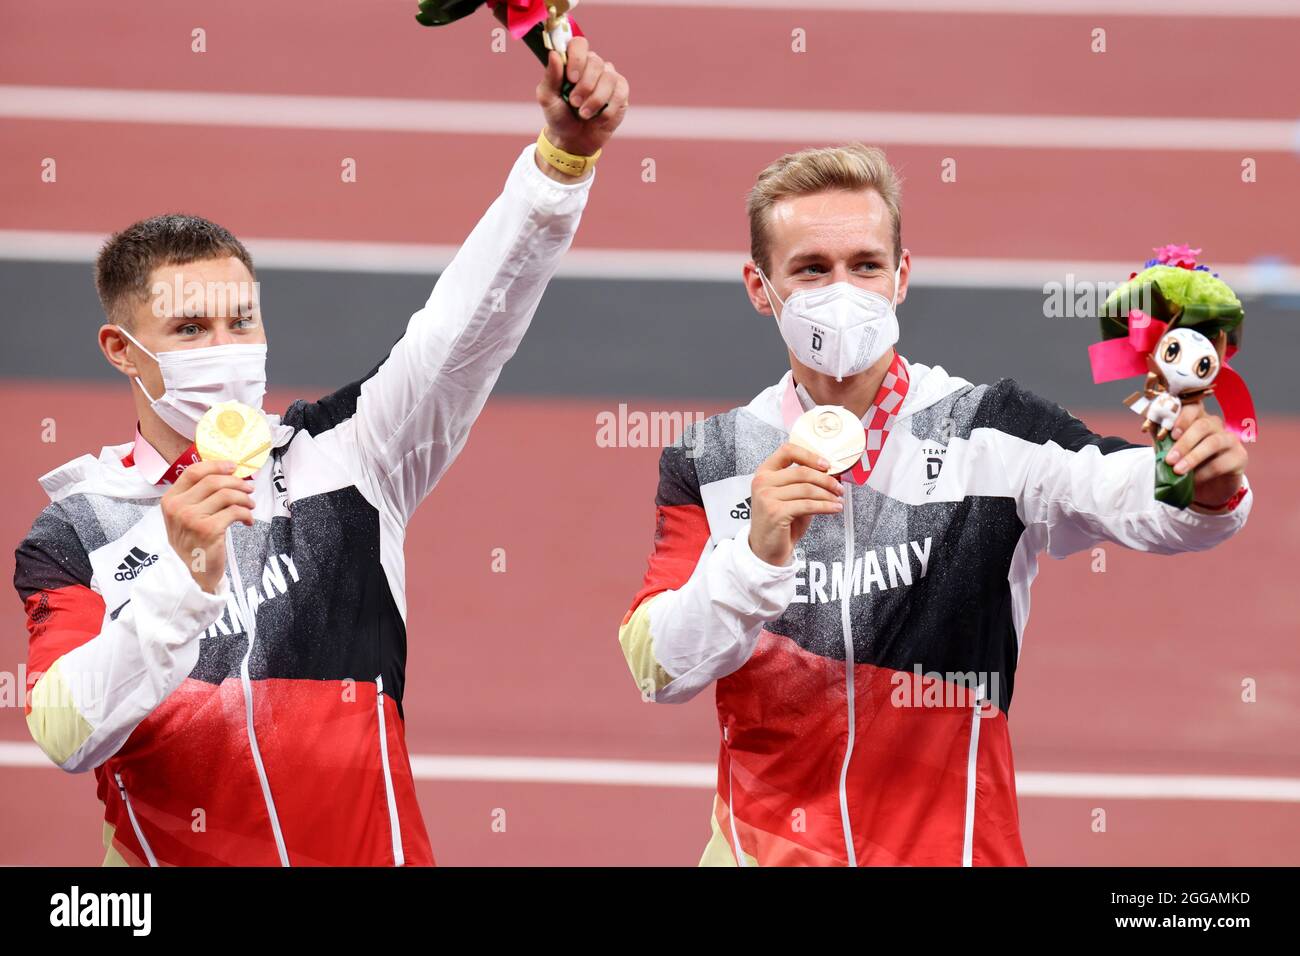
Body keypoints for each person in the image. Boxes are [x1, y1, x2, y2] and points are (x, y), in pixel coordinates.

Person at [16, 39, 627, 866]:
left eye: (241, 321)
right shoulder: (75, 533)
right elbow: (65, 732)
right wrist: (180, 585)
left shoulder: (350, 453)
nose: (225, 349)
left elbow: (467, 326)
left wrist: (560, 165)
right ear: (122, 350)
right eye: (190, 330)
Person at [616, 144, 1251, 866]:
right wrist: (753, 557)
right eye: (812, 269)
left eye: (865, 264)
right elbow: (659, 669)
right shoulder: (713, 459)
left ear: (901, 275)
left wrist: (1201, 484)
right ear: (761, 288)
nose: (843, 290)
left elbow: (1133, 493)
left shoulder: (991, 428)